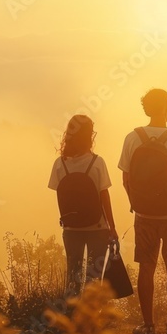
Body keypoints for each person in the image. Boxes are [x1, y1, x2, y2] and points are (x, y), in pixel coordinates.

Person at [119, 89, 167, 334]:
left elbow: (126, 179)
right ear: (166, 108)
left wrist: (138, 202)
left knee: (146, 267)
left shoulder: (133, 138)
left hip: (144, 215)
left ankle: (148, 326)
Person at [48, 115, 118, 298]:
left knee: (73, 271)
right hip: (97, 226)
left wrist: (67, 218)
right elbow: (104, 196)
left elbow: (60, 195)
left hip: (71, 227)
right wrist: (112, 226)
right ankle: (90, 315)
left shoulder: (60, 163)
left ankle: (70, 313)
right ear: (89, 136)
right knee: (93, 274)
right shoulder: (97, 162)